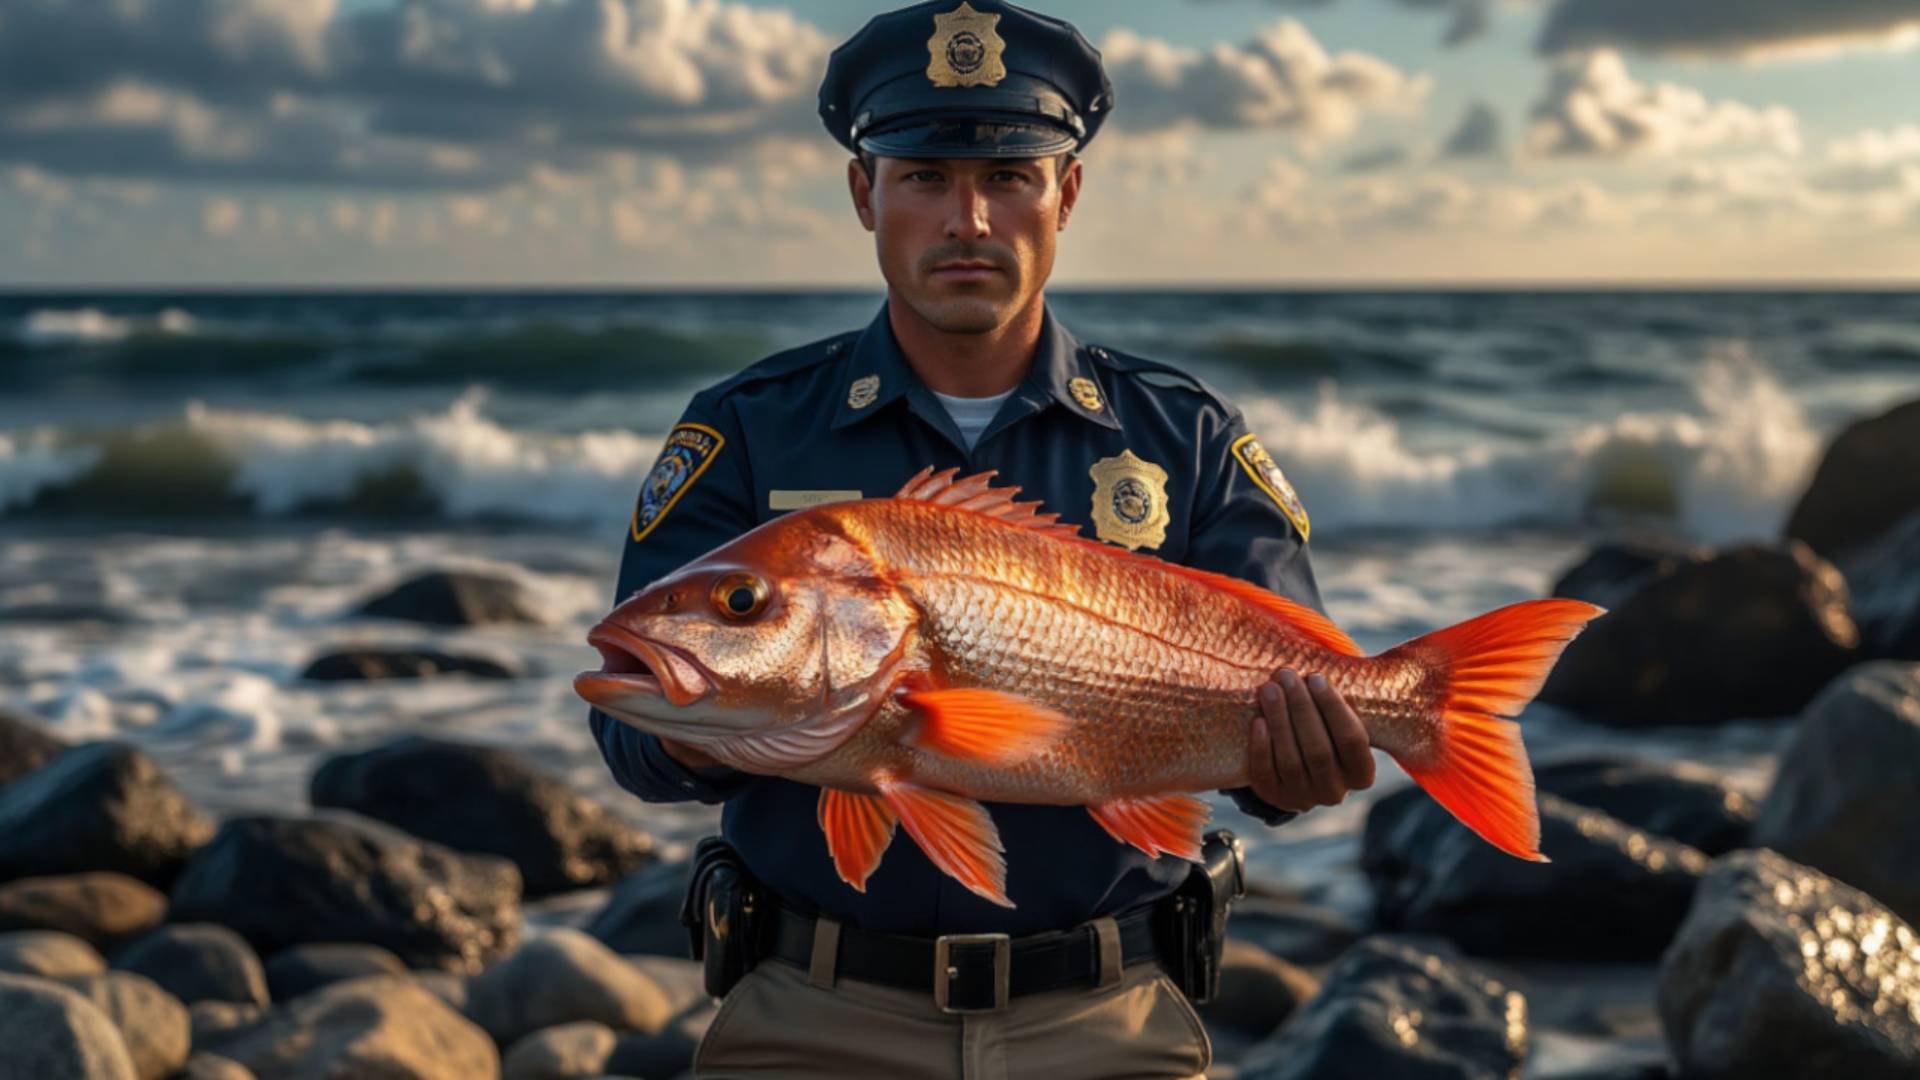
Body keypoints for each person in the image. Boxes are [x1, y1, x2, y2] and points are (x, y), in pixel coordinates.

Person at [590, 2, 1375, 1075]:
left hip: (1113, 1022)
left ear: (1068, 194)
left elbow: (1285, 733)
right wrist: (704, 711)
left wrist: (1307, 756)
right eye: (922, 176)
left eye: (1010, 176)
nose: (969, 219)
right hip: (813, 1018)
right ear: (865, 194)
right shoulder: (745, 427)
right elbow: (632, 743)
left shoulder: (1182, 433)